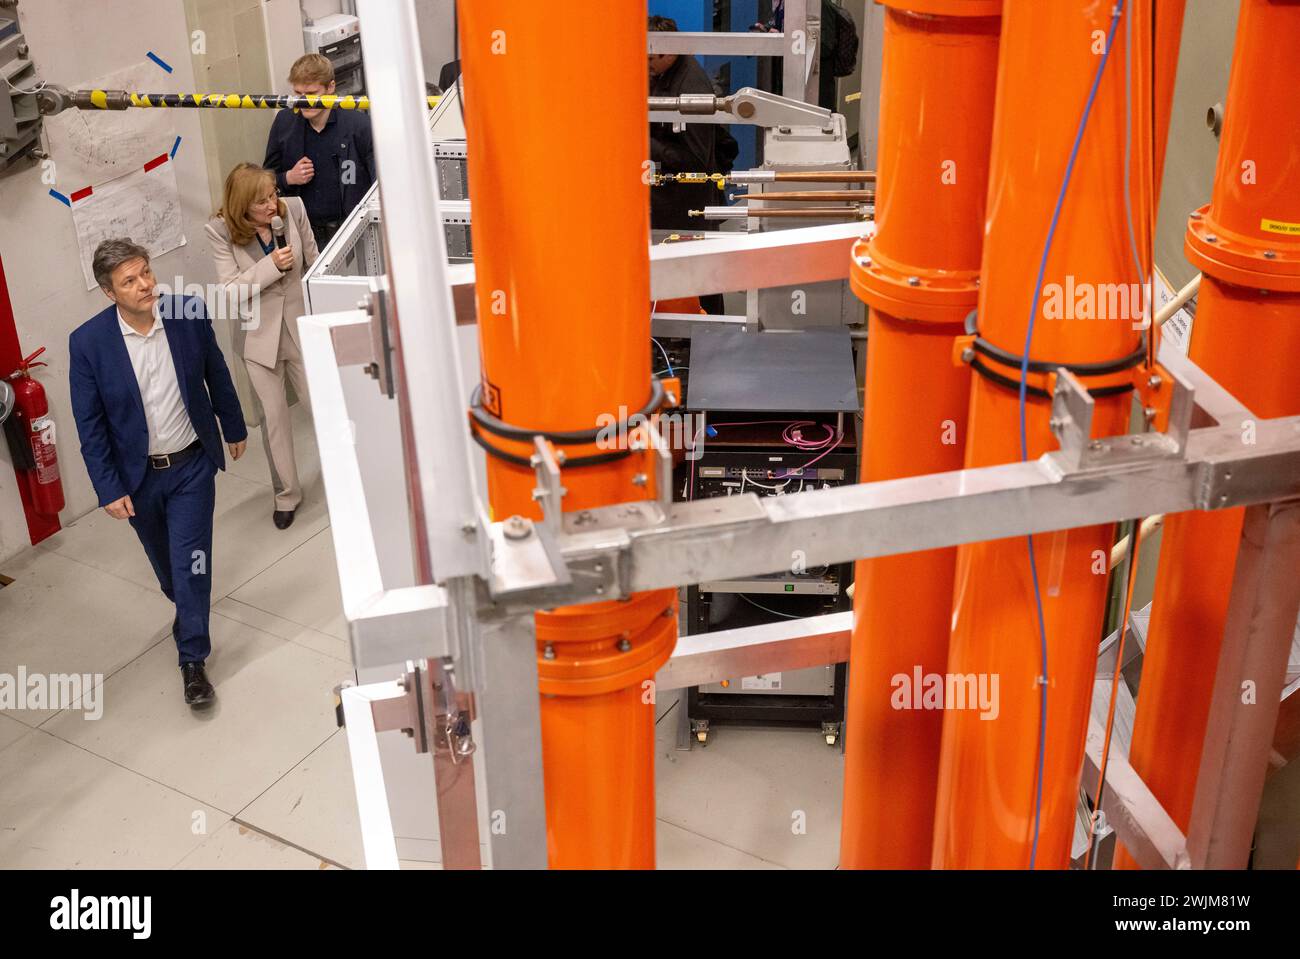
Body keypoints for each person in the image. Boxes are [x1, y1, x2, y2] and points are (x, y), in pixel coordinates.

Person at [69, 240, 247, 707]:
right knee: (169, 571)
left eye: (145, 272)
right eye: (130, 281)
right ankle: (186, 610)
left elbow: (216, 371)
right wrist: (107, 487)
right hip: (139, 478)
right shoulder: (88, 344)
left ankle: (192, 660)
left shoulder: (186, 313)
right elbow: (89, 424)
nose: (145, 284)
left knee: (192, 564)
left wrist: (232, 423)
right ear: (109, 293)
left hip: (191, 463)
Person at [205, 163, 318, 530]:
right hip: (259, 339)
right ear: (241, 207)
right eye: (261, 201)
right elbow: (230, 291)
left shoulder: (294, 208)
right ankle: (286, 495)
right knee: (275, 422)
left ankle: (350, 479)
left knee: (323, 408)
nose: (272, 205)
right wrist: (269, 265)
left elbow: (315, 263)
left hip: (302, 327)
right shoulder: (220, 231)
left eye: (272, 194)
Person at [648, 15, 737, 314]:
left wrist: (644, 140)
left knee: (701, 278)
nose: (646, 65)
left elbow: (696, 161)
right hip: (669, 200)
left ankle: (712, 333)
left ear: (670, 52)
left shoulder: (691, 84)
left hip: (689, 202)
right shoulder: (662, 74)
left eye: (651, 58)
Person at [264, 53, 375, 250]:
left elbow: (379, 185)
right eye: (298, 94)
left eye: (312, 94)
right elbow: (265, 180)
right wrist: (288, 177)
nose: (304, 101)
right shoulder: (284, 122)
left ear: (331, 87)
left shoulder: (359, 126)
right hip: (303, 234)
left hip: (353, 231)